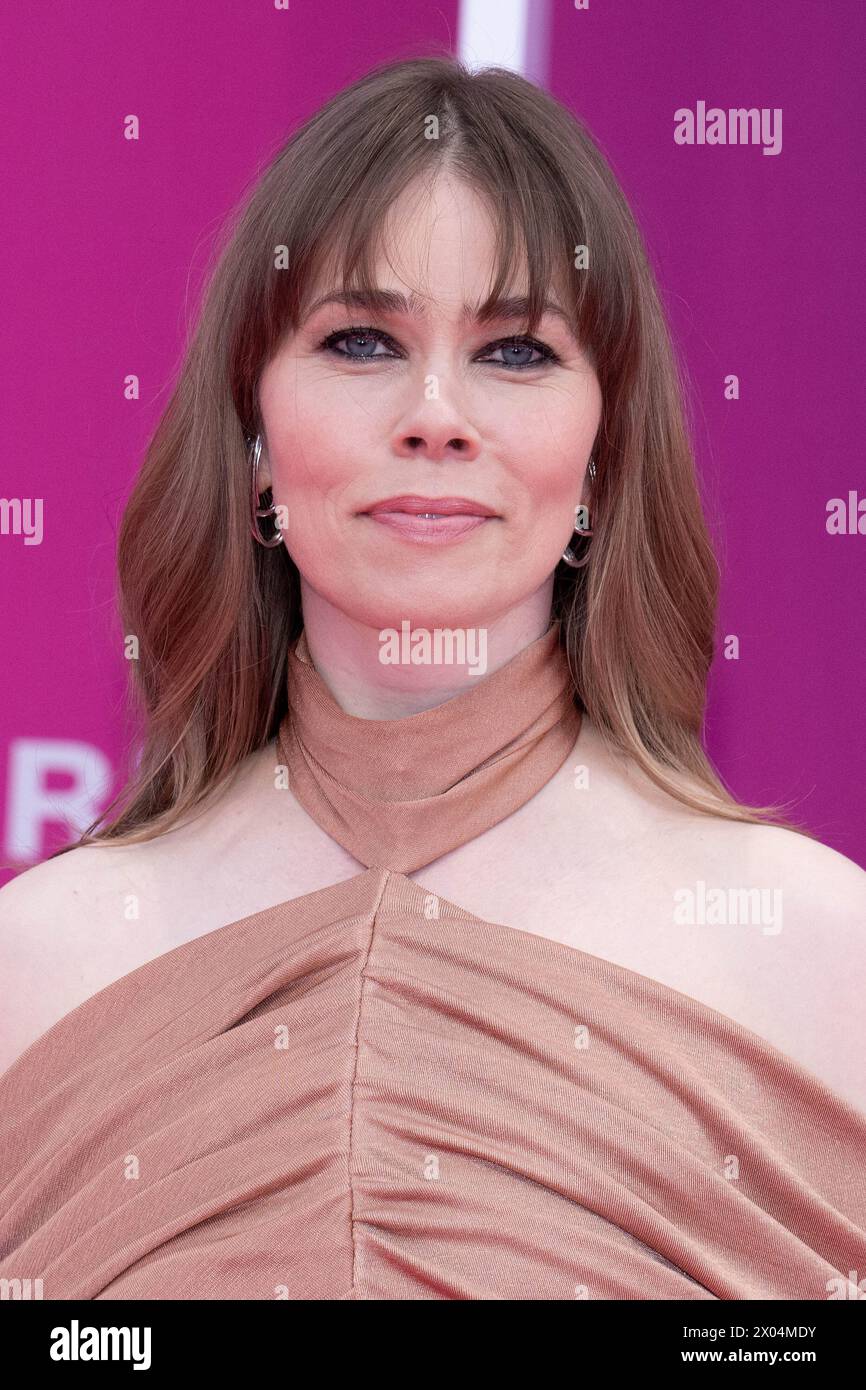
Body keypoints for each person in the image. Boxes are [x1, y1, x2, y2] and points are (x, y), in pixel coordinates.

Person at [1, 55, 864, 1302]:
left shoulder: (819, 953)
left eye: (515, 352)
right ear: (250, 442)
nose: (436, 414)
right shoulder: (38, 964)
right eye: (361, 339)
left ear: (600, 452)